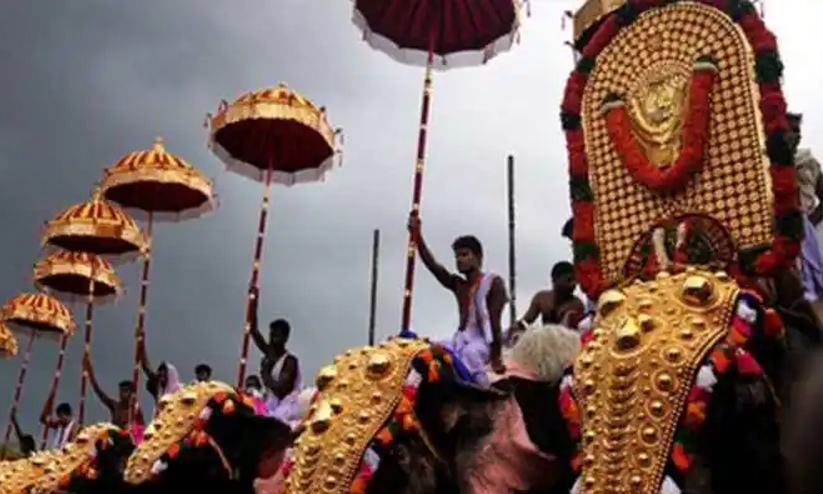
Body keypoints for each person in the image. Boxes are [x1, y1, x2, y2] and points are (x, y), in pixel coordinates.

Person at [409, 215, 508, 381]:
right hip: (460, 340)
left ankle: (483, 395)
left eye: (464, 255)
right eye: (457, 256)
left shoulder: (493, 283)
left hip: (483, 343)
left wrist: (496, 357)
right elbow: (434, 267)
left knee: (471, 355)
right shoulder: (459, 285)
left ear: (478, 258)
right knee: (429, 352)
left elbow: (494, 322)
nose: (459, 260)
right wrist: (417, 236)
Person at [788, 112, 823, 324]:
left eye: (797, 131)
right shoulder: (765, 163)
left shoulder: (807, 161)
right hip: (779, 229)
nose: (795, 135)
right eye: (789, 130)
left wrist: (808, 222)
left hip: (804, 231)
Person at [249, 287, 303, 424]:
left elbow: (280, 390)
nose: (272, 339)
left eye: (277, 336)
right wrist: (253, 301)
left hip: (286, 410)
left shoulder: (290, 361)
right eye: (271, 335)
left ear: (285, 338)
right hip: (269, 406)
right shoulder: (269, 353)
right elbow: (253, 330)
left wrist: (265, 373)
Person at [83, 354, 145, 442]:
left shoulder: (136, 409)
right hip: (113, 443)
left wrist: (131, 430)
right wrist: (90, 373)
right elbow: (99, 392)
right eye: (121, 391)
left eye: (125, 391)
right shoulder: (115, 406)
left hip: (129, 444)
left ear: (132, 393)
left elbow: (142, 431)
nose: (122, 394)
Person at [512, 262, 585, 333]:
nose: (573, 284)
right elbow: (527, 320)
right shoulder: (541, 298)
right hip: (545, 340)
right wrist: (514, 329)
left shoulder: (577, 304)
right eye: (569, 280)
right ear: (555, 279)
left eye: (575, 280)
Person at [138, 338, 182, 414]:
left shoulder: (180, 391)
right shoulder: (159, 390)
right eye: (160, 370)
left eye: (164, 371)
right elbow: (146, 366)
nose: (161, 373)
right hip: (160, 423)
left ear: (171, 374)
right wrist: (141, 343)